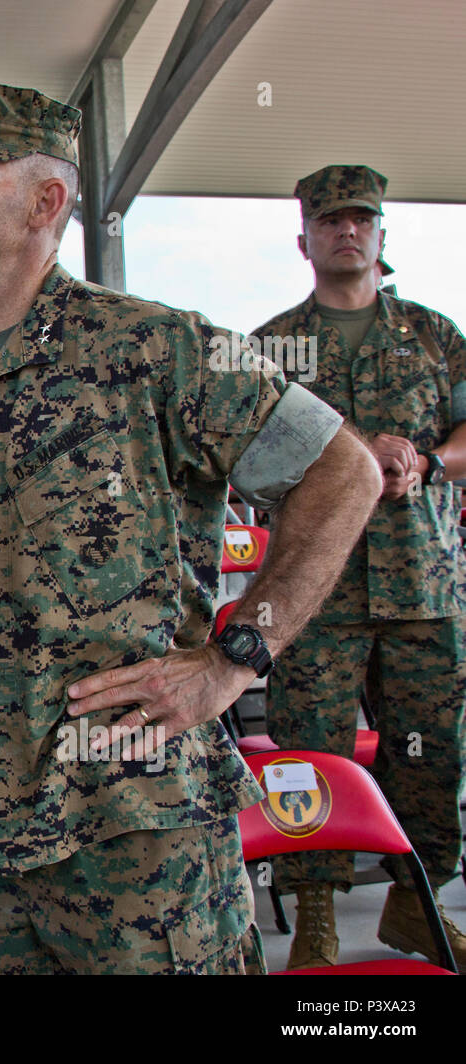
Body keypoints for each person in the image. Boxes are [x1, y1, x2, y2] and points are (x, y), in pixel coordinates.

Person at [0, 78, 383, 975]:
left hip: (139, 828)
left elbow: (345, 470)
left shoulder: (161, 350)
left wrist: (233, 659)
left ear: (45, 202)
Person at [254, 164, 466, 968]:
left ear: (382, 236)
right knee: (312, 753)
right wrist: (347, 458)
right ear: (304, 238)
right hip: (316, 591)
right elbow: (248, 462)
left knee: (432, 752)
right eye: (331, 220)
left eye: (362, 219)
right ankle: (312, 920)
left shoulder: (434, 334)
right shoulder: (272, 345)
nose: (348, 230)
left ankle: (419, 910)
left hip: (423, 584)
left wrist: (430, 463)